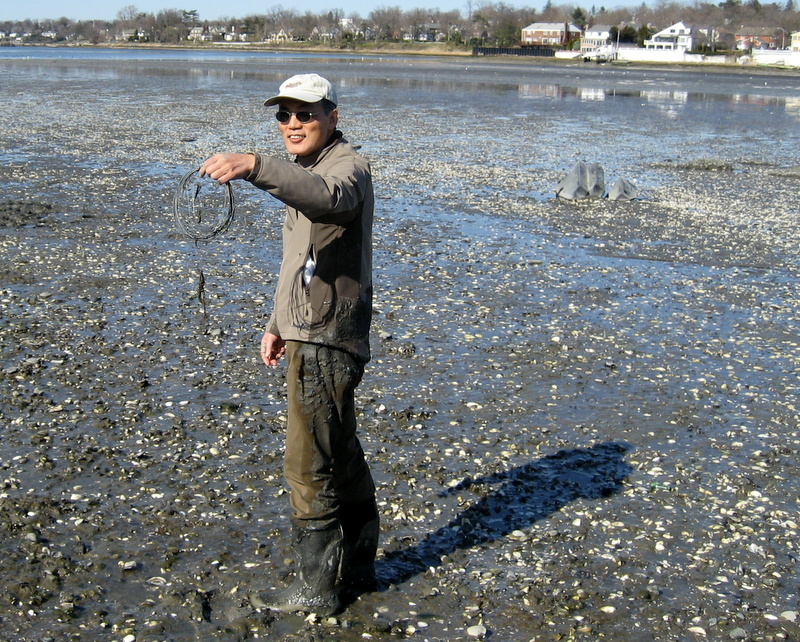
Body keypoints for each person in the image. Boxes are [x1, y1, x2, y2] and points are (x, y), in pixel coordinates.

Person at [199, 73, 379, 616]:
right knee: (339, 451)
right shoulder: (308, 169)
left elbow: (330, 201)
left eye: (306, 113)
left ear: (333, 116)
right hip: (307, 328)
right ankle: (359, 569)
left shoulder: (344, 167)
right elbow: (299, 261)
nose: (293, 123)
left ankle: (318, 589)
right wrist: (277, 323)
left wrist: (255, 164)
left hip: (328, 337)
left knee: (308, 465)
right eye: (284, 115)